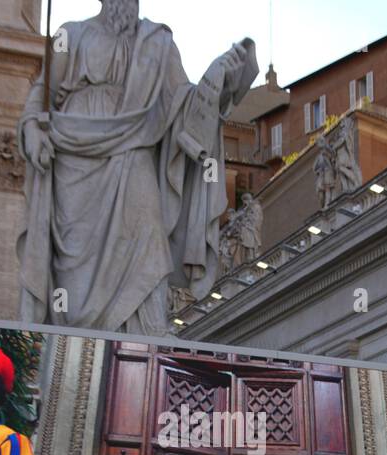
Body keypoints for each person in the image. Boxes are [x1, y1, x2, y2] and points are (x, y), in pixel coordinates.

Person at [16, 0, 257, 333]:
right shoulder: (69, 35)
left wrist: (219, 80)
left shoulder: (159, 43)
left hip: (136, 157)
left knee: (149, 249)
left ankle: (145, 354)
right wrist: (31, 129)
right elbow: (43, 91)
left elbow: (184, 109)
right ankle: (71, 352)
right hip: (74, 163)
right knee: (71, 281)